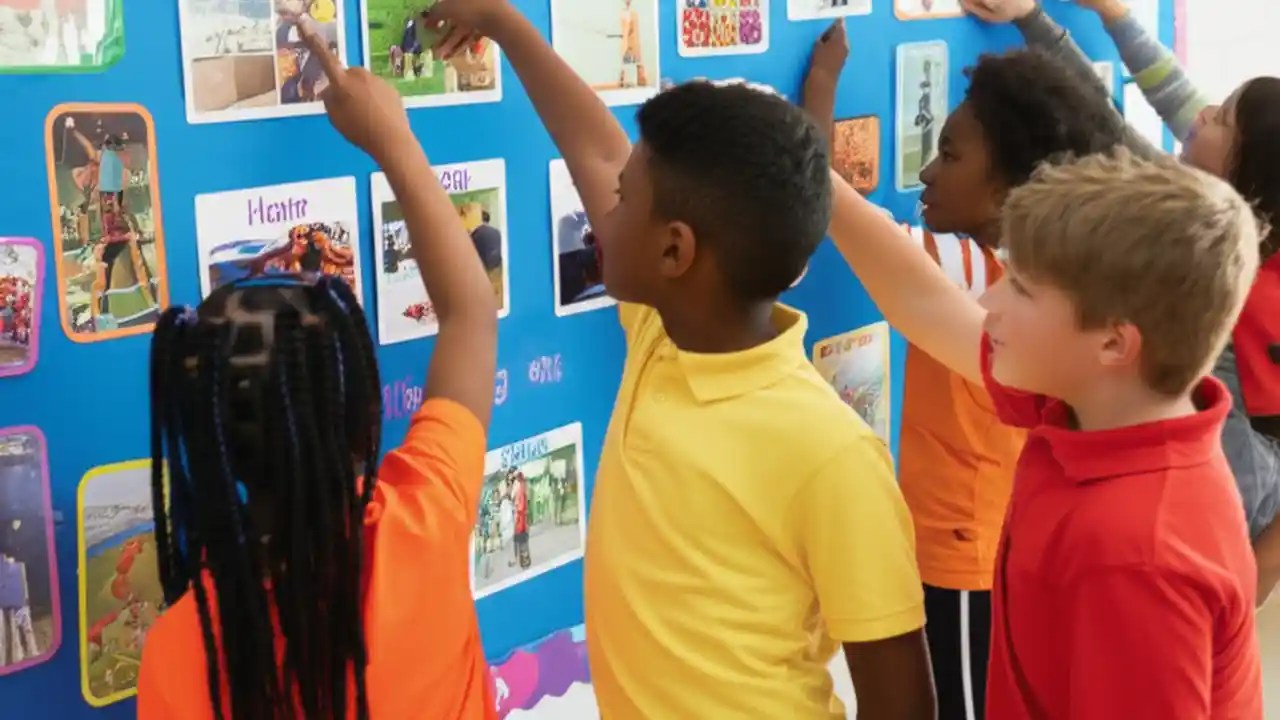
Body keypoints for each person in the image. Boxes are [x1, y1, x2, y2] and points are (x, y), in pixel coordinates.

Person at [425, 2, 935, 719]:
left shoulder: (832, 453)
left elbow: (902, 702)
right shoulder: (663, 336)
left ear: (674, 251)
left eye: (623, 200)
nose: (603, 213)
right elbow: (597, 152)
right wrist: (504, 24)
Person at [136, 23, 498, 720]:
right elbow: (470, 314)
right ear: (363, 423)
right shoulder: (420, 528)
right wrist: (392, 138)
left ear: (207, 444)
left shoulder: (182, 650)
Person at [829, 144, 1265, 716]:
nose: (989, 299)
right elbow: (927, 306)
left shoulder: (1135, 555)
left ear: (1114, 342)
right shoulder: (1094, 404)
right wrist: (817, 175)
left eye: (1022, 288)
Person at [805, 20, 1130, 720]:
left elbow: (835, 209)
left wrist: (821, 85)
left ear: (1014, 189)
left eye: (949, 155)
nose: (926, 173)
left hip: (962, 558)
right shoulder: (1050, 274)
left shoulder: (974, 270)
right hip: (983, 544)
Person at [962, 0, 1280, 608]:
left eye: (1221, 119)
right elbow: (1168, 95)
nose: (1201, 112)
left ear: (1243, 169)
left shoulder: (1194, 234)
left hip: (1240, 479)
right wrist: (1096, 13)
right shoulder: (1226, 207)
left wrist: (1034, 21)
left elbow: (1101, 122)